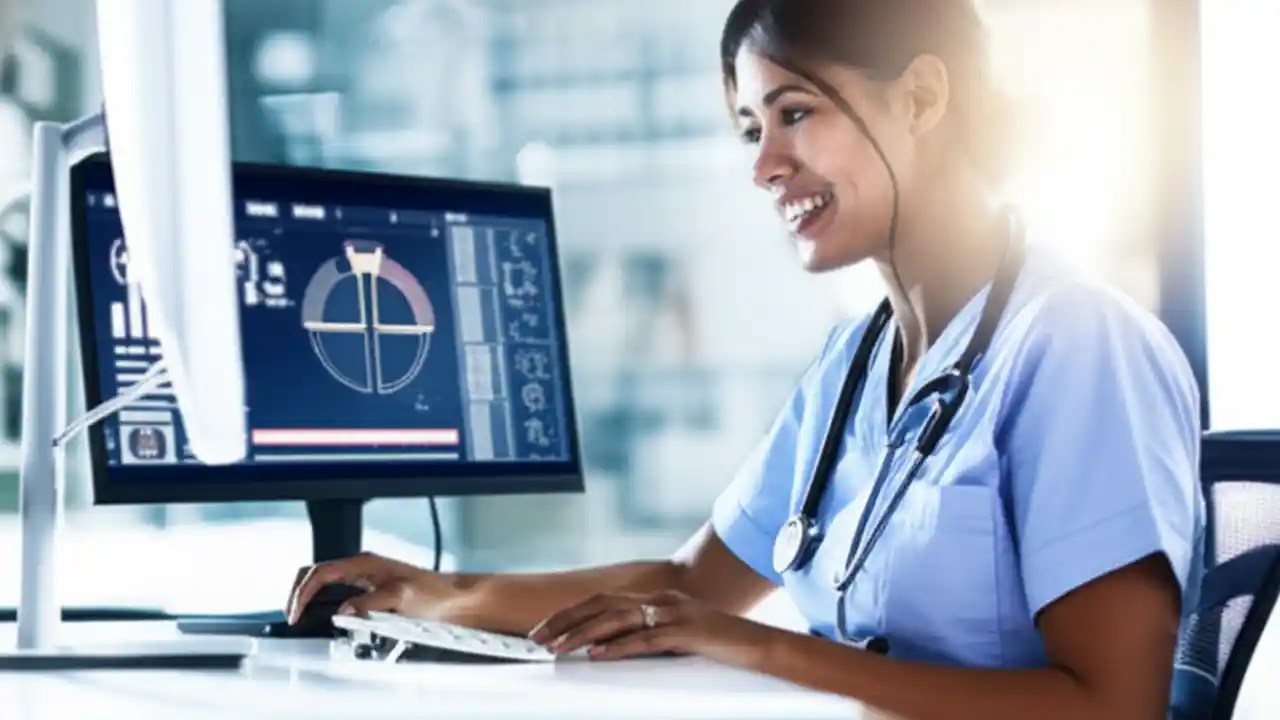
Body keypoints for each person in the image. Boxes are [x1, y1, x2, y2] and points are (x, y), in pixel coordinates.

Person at [287, 1, 1205, 717]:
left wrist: (761, 646)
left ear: (921, 99)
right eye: (749, 131)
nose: (764, 166)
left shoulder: (1076, 347)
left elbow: (1112, 706)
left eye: (794, 114)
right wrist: (441, 594)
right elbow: (690, 586)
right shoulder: (857, 366)